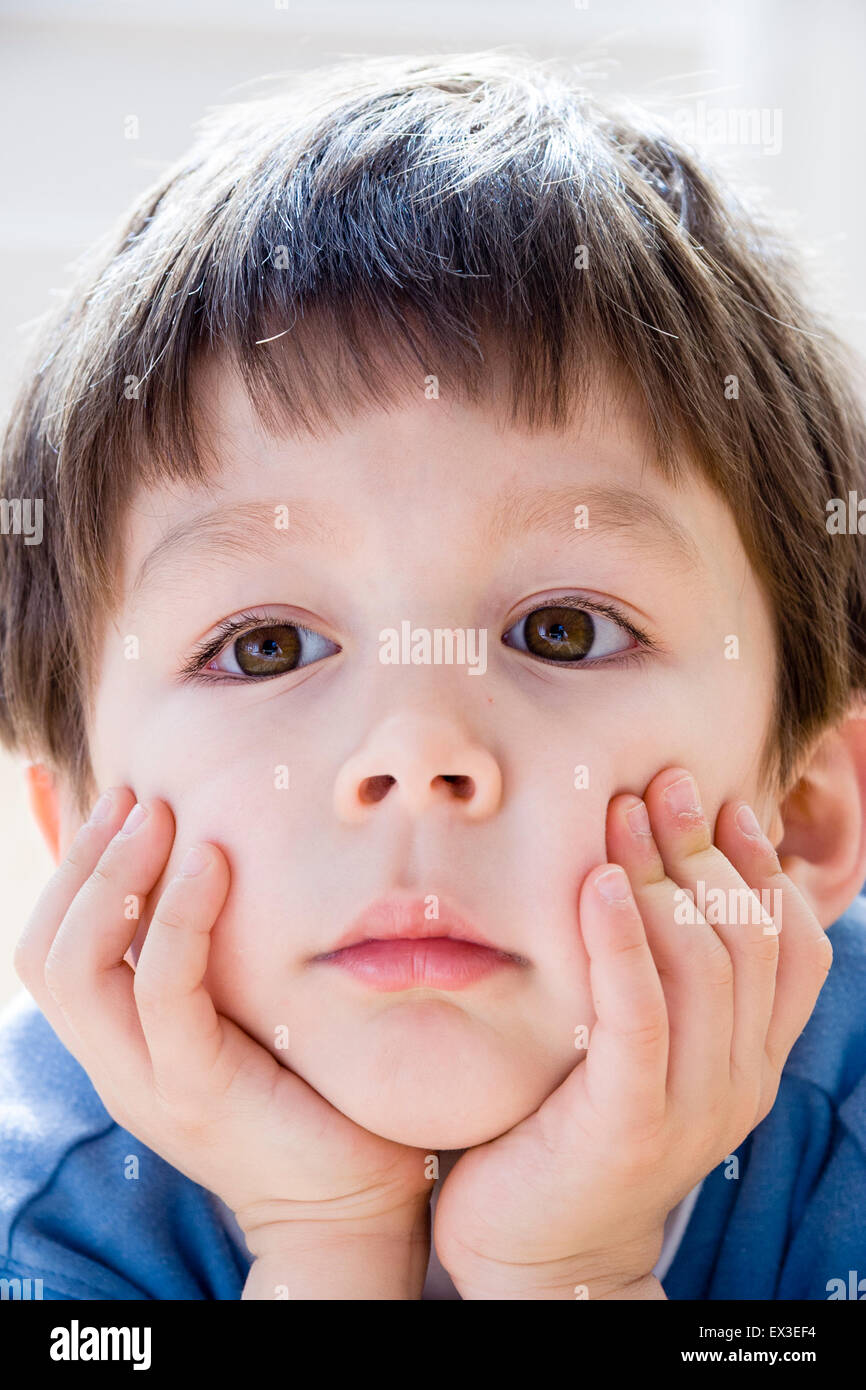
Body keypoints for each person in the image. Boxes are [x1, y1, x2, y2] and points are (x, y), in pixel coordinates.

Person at [1, 50, 865, 1300]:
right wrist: (322, 1241)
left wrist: (568, 1272)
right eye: (266, 647)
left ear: (801, 815)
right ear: (86, 836)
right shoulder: (54, 1222)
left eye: (561, 630)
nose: (413, 749)